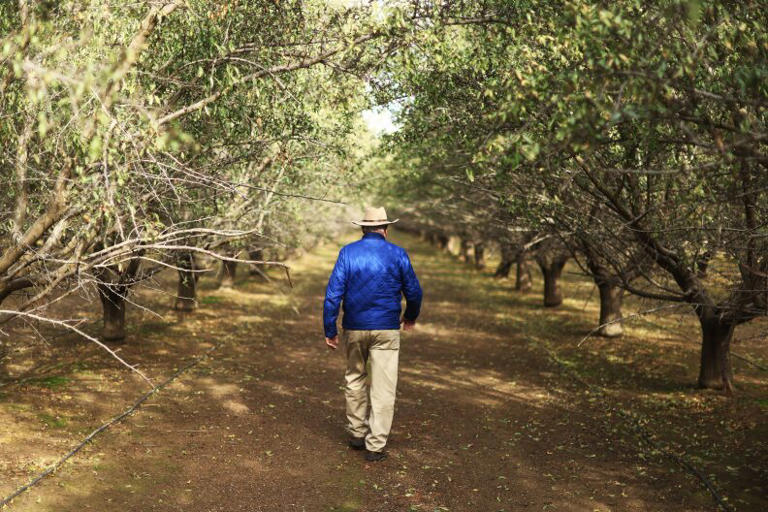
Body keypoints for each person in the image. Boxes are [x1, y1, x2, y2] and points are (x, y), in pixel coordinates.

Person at [323, 206, 423, 462]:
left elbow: (333, 294)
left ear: (362, 228)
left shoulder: (348, 252)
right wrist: (410, 317)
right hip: (387, 328)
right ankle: (375, 445)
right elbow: (414, 292)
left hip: (355, 326)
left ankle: (357, 433)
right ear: (386, 229)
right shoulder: (398, 254)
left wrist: (330, 329)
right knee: (383, 387)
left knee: (355, 377)